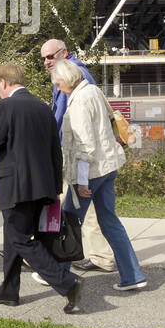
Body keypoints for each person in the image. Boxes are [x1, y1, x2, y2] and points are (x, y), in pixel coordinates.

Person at [0, 62, 82, 312]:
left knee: (21, 239)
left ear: (3, 83)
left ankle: (67, 282)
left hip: (15, 187)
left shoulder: (5, 106)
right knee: (12, 238)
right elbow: (54, 150)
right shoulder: (43, 107)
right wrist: (55, 187)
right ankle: (9, 291)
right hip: (42, 186)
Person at [50, 59, 147, 291]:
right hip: (108, 166)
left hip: (90, 172)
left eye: (58, 84)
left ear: (66, 80)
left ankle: (57, 274)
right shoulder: (93, 90)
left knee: (69, 223)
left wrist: (82, 181)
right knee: (110, 222)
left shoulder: (80, 102)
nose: (58, 89)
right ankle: (132, 275)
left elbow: (85, 146)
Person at [41, 37, 114, 274]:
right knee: (89, 207)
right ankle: (102, 255)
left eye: (50, 56)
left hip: (75, 152)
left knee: (65, 204)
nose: (46, 62)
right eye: (43, 58)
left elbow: (67, 119)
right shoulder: (74, 74)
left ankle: (50, 259)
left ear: (64, 53)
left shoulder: (73, 76)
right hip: (78, 152)